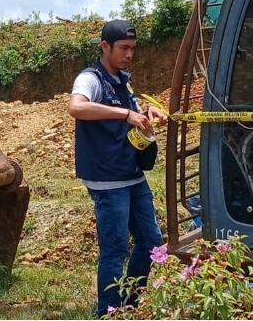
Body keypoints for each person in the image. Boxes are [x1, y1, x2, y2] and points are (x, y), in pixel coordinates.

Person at [68, 20, 168, 317]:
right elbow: (77, 107)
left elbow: (134, 113)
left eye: (133, 49)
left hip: (131, 173)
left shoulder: (122, 80)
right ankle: (108, 312)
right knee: (115, 251)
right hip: (107, 179)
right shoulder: (90, 79)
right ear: (105, 47)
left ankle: (131, 305)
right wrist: (126, 114)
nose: (129, 54)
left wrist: (146, 112)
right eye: (124, 48)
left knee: (151, 241)